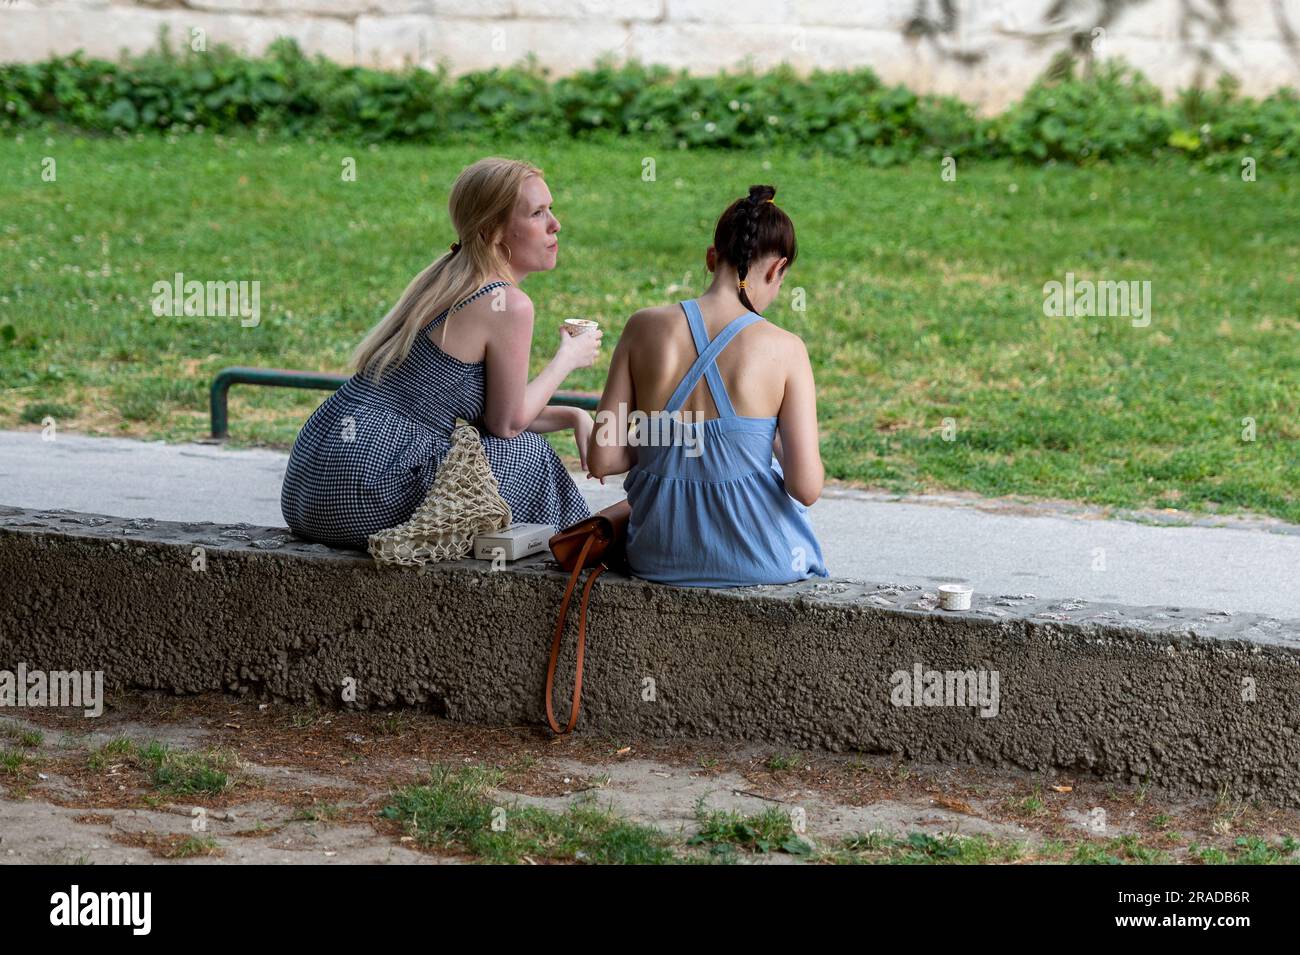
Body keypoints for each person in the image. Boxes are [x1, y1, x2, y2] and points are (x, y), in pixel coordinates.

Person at [281, 157, 599, 551]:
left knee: (497, 451)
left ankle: (571, 550)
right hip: (364, 490)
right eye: (537, 213)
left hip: (311, 484)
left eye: (550, 209)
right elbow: (508, 424)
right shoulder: (507, 303)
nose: (555, 224)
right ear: (493, 231)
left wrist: (572, 415)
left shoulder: (445, 275)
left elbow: (495, 412)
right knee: (528, 455)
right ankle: (576, 557)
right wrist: (568, 357)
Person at [586, 184, 830, 587]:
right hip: (760, 562)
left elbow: (602, 459)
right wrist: (758, 439)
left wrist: (666, 438)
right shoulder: (786, 349)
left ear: (711, 257)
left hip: (658, 558)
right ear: (776, 269)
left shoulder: (643, 327)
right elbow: (805, 488)